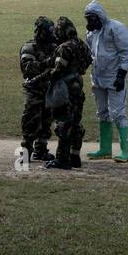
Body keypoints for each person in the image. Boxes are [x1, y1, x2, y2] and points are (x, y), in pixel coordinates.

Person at [83, 0, 128, 163]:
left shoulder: (116, 28)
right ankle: (105, 149)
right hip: (97, 79)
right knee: (102, 113)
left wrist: (121, 75)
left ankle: (125, 151)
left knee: (118, 113)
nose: (90, 22)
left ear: (100, 16)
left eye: (92, 19)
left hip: (114, 79)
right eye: (88, 19)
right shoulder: (92, 33)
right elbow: (89, 55)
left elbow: (126, 53)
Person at [41, 16, 92, 170]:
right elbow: (88, 60)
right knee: (76, 123)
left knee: (63, 124)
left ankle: (62, 160)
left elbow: (57, 71)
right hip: (78, 87)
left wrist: (41, 77)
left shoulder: (64, 47)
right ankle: (74, 156)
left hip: (65, 89)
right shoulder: (81, 44)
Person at [18, 16, 58, 163]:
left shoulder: (53, 46)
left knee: (47, 119)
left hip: (49, 89)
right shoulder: (30, 47)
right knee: (31, 120)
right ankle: (27, 150)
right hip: (34, 90)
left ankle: (41, 150)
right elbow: (28, 69)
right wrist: (47, 64)